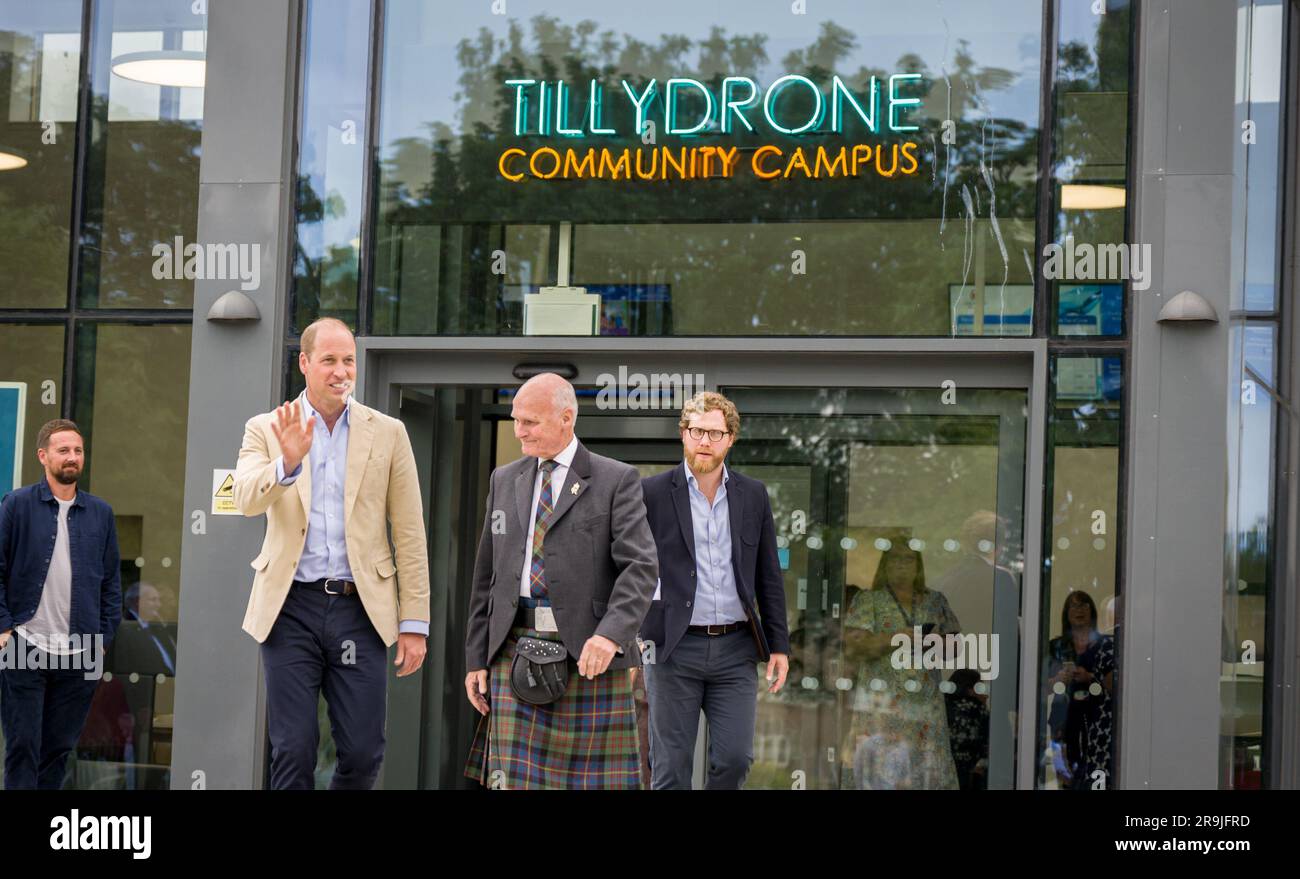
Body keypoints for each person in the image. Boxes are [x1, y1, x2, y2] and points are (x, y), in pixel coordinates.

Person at [233, 317, 430, 790]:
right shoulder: (266, 427)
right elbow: (244, 500)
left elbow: (409, 532)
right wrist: (287, 463)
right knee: (293, 749)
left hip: (360, 610)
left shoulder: (388, 433)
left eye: (348, 361)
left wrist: (414, 622)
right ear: (304, 363)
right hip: (290, 608)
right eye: (329, 361)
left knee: (362, 752)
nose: (341, 371)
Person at [463, 373, 657, 789]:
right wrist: (477, 657)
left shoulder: (614, 480)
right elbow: (487, 576)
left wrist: (610, 636)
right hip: (514, 650)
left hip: (588, 658)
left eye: (530, 422)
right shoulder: (504, 479)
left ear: (566, 418)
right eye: (516, 420)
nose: (519, 431)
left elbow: (640, 568)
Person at [638, 391, 790, 789]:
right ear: (683, 435)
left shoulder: (753, 495)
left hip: (735, 650)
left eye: (714, 433)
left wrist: (779, 646)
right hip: (673, 649)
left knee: (735, 760)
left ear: (730, 439)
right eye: (696, 431)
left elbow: (768, 575)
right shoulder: (651, 493)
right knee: (670, 766)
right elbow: (631, 569)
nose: (704, 441)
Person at [0, 419, 121, 789]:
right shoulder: (17, 505)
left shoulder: (100, 513)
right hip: (24, 643)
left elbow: (112, 583)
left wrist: (101, 640)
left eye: (78, 451)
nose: (72, 457)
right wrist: (4, 629)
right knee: (22, 745)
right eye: (63, 450)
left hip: (79, 650)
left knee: (59, 748)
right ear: (43, 456)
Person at [843, 536, 960, 790]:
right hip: (883, 707)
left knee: (925, 774)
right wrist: (894, 638)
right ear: (885, 564)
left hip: (925, 709)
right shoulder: (869, 600)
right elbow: (853, 646)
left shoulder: (935, 601)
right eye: (895, 558)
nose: (901, 564)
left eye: (908, 558)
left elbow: (956, 649)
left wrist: (934, 642)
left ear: (918, 565)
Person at [1044, 590, 1115, 790]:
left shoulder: (1107, 644)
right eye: (1074, 606)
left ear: (1092, 611)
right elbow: (1039, 688)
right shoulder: (1056, 647)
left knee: (1097, 782)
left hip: (1099, 724)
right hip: (1064, 722)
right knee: (1068, 779)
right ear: (1066, 613)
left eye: (1084, 605)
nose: (1079, 610)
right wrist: (1057, 680)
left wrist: (1090, 677)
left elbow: (1117, 684)